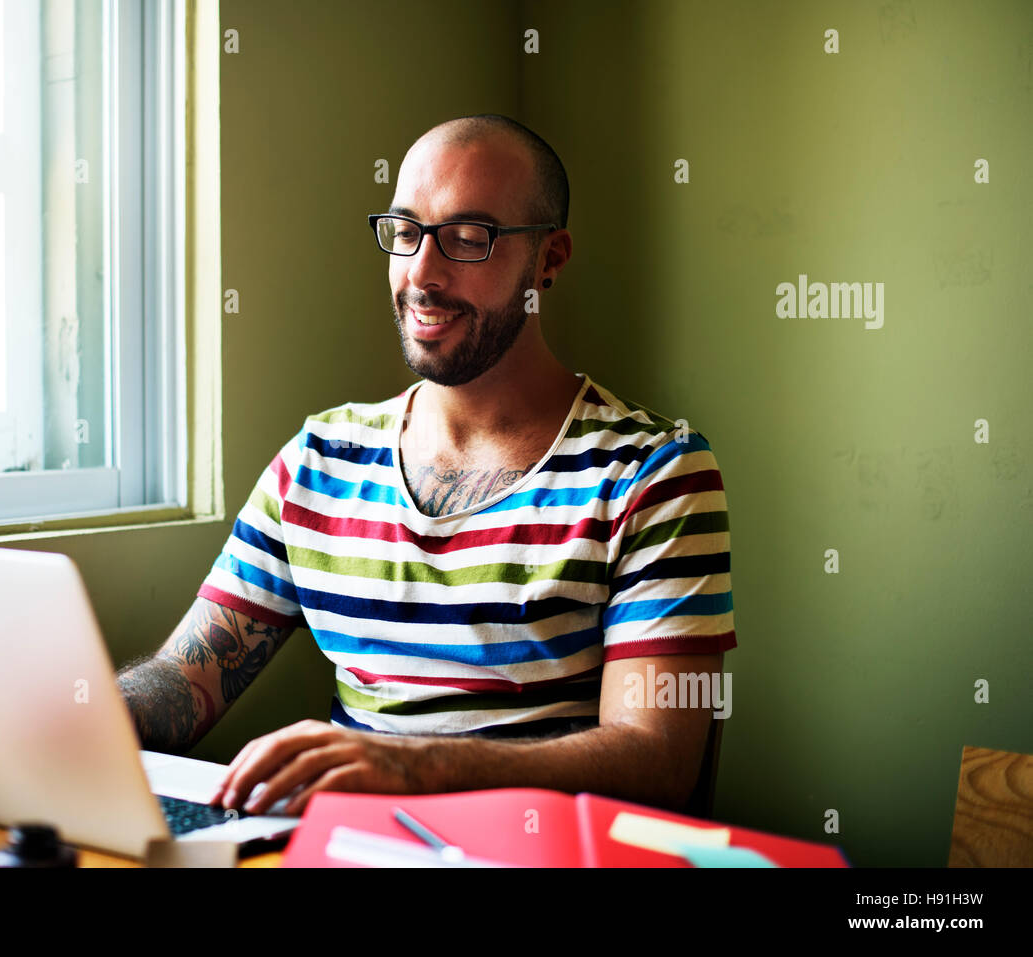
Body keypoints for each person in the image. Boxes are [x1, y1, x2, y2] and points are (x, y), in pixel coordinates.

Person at [116, 113, 736, 818]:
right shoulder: (319, 460)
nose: (422, 273)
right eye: (406, 233)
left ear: (549, 259)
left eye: (470, 239)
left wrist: (417, 765)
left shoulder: (654, 473)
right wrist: (71, 715)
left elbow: (659, 761)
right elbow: (186, 680)